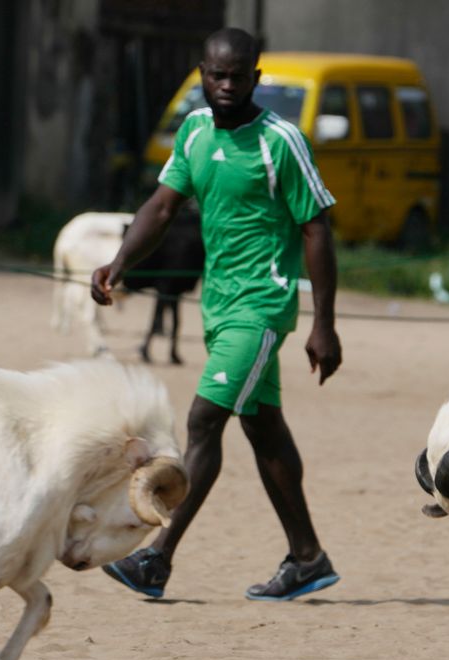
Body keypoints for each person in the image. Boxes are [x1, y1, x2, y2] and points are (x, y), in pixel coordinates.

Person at [91, 27, 342, 602]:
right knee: (264, 429)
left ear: (256, 78)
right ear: (203, 74)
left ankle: (157, 558)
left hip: (262, 307)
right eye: (217, 75)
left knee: (204, 420)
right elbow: (162, 207)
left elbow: (316, 228)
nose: (227, 85)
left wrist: (323, 322)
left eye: (238, 76)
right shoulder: (194, 131)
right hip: (219, 307)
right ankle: (308, 558)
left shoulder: (281, 141)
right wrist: (120, 262)